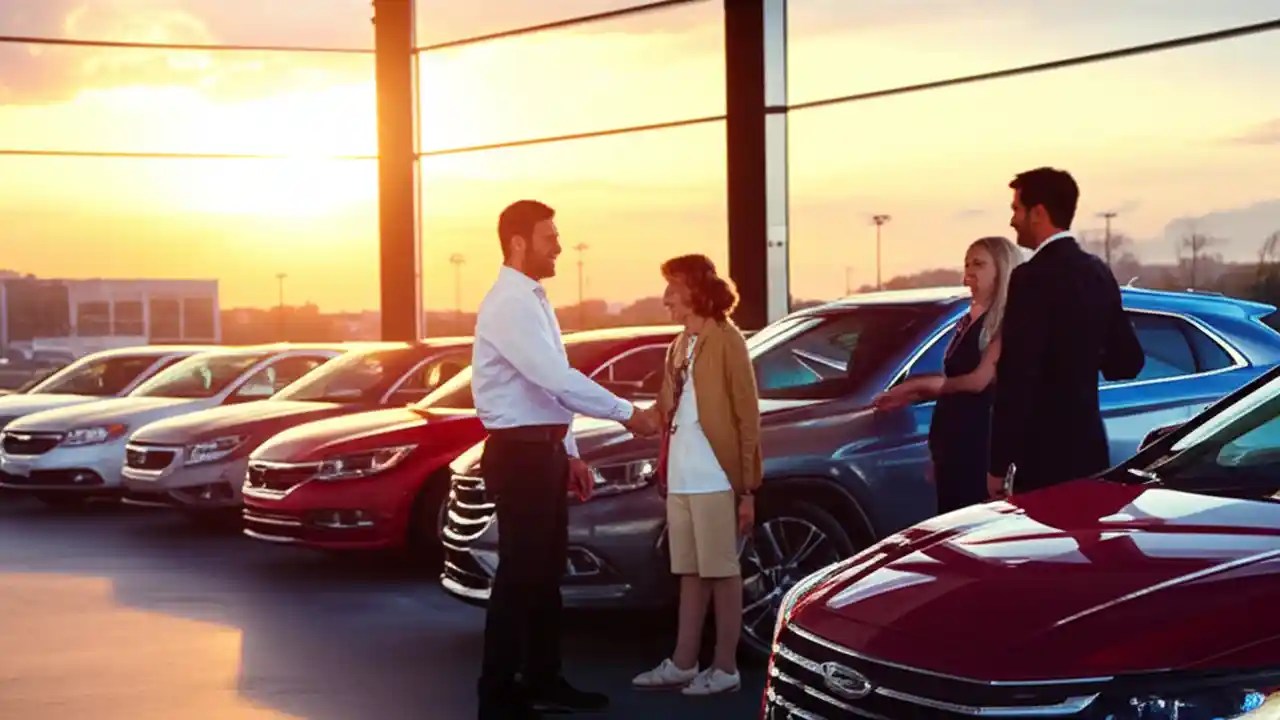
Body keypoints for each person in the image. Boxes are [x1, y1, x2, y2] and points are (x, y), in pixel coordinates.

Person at [472, 199, 659, 719]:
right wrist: (629, 414)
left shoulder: (532, 298)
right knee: (519, 578)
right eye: (549, 237)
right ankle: (497, 697)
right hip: (520, 457)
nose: (558, 245)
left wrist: (570, 452)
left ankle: (542, 680)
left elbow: (547, 387)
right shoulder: (509, 303)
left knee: (545, 574)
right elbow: (554, 378)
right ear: (518, 242)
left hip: (544, 453)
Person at [631, 254, 761, 697]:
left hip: (714, 478)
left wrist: (748, 489)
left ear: (695, 291)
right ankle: (684, 663)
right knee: (689, 572)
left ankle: (725, 668)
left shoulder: (727, 340)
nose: (666, 297)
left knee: (722, 572)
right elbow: (663, 411)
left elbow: (747, 416)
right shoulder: (678, 345)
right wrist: (622, 414)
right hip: (682, 478)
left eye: (673, 287)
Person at [987, 167, 1144, 498]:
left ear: (1038, 213)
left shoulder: (1030, 279)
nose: (1012, 221)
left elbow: (1017, 377)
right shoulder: (1098, 272)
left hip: (1041, 459)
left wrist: (998, 465)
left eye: (1016, 209)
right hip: (1090, 451)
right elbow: (1127, 363)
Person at [872, 236, 1022, 512]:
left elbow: (978, 381)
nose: (969, 274)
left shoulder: (1006, 322)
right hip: (952, 442)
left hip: (979, 442)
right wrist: (914, 394)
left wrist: (927, 386)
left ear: (1002, 269)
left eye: (979, 264)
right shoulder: (968, 320)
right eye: (967, 265)